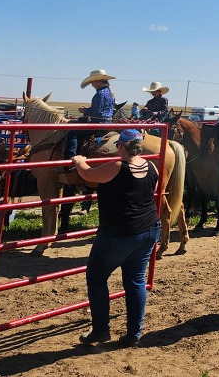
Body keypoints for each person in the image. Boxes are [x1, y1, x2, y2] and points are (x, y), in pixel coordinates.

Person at [71, 129, 159, 347]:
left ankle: (101, 330)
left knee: (96, 277)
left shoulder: (117, 166)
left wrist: (79, 160)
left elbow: (87, 175)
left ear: (120, 146)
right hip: (149, 228)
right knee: (136, 280)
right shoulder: (152, 166)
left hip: (119, 233)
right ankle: (133, 334)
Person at [67, 70, 116, 159]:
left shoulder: (99, 94)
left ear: (99, 81)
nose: (92, 84)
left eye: (93, 81)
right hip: (108, 122)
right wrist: (88, 109)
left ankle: (70, 159)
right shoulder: (111, 93)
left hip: (98, 123)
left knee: (72, 134)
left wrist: (84, 110)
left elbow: (96, 112)